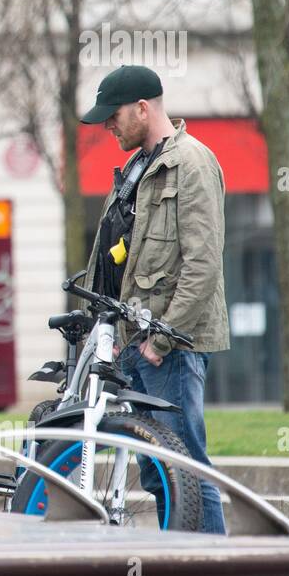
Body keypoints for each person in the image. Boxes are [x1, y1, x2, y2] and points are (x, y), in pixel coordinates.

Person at [80, 65, 229, 534]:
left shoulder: (192, 162)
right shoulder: (136, 169)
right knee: (161, 476)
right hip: (134, 344)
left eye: (114, 115)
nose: (108, 125)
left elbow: (202, 262)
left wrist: (161, 341)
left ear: (143, 108)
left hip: (171, 349)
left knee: (187, 470)